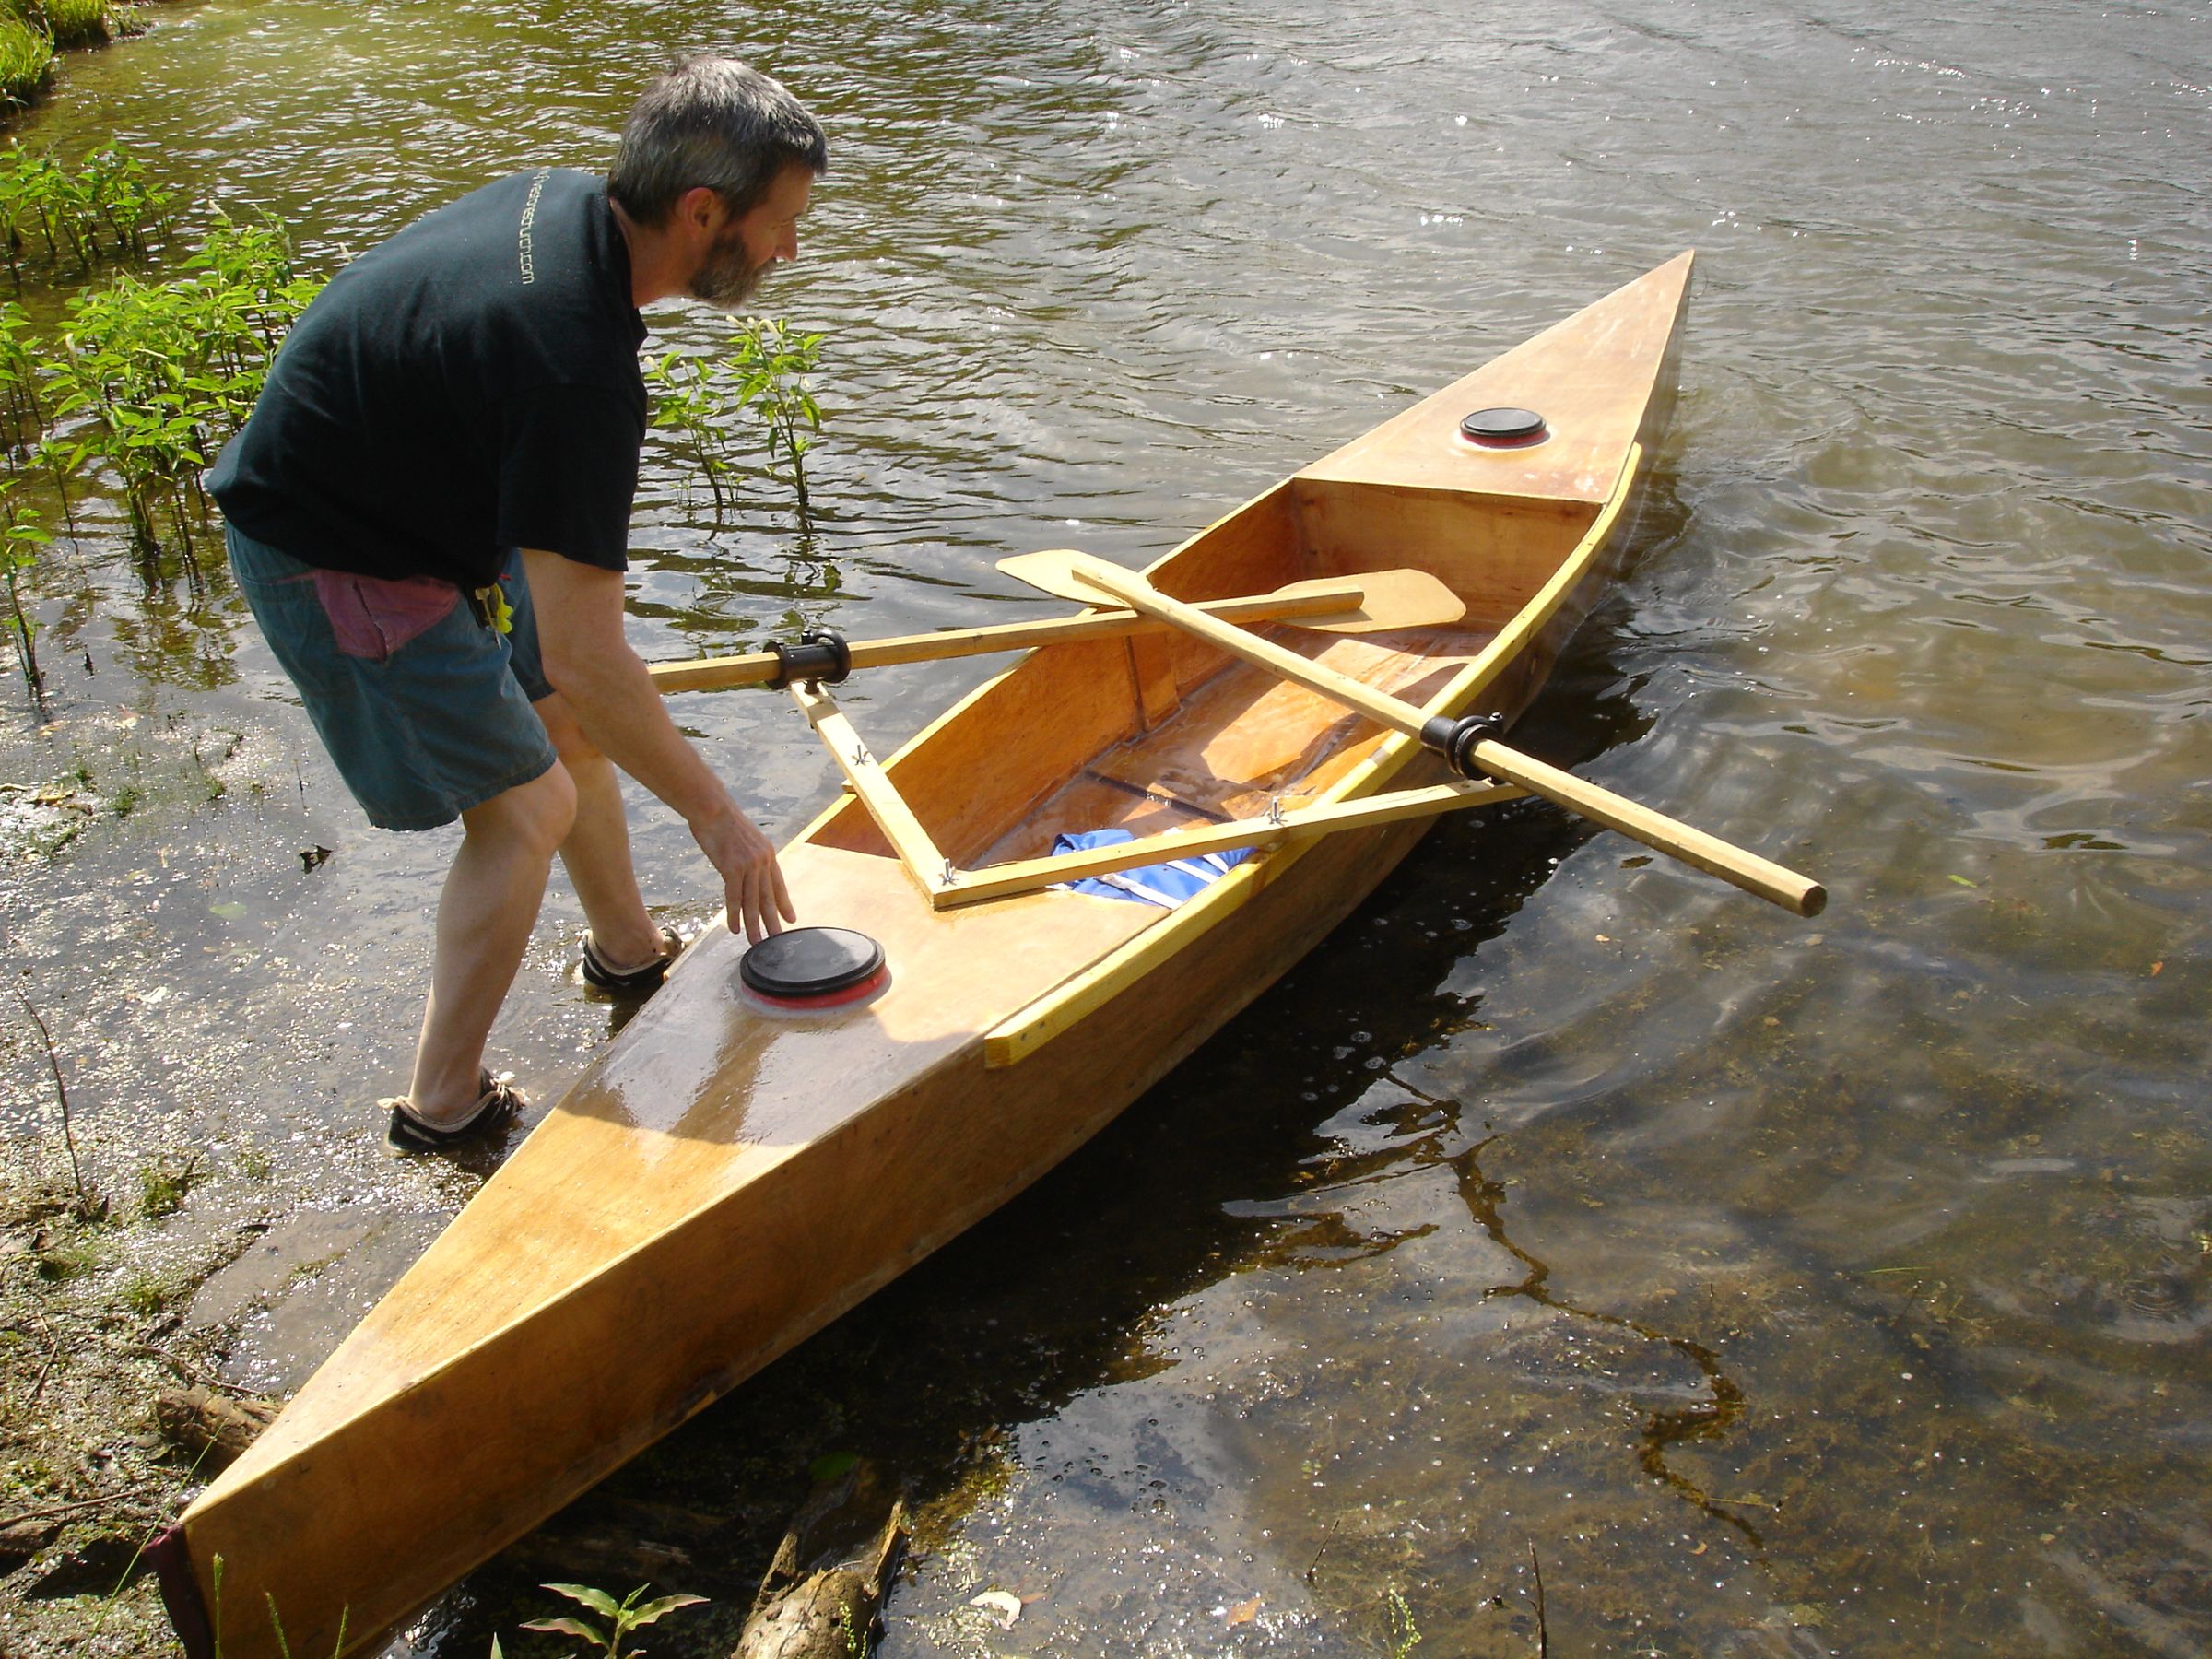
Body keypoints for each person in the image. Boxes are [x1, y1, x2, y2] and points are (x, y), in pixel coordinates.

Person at [206, 57, 824, 1150]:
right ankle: (443, 1107)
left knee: (567, 720)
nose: (789, 250)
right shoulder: (576, 369)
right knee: (527, 807)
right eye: (781, 224)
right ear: (701, 211)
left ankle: (629, 952)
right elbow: (593, 654)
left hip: (414, 491)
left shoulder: (567, 201)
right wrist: (720, 819)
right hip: (334, 547)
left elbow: (579, 677)